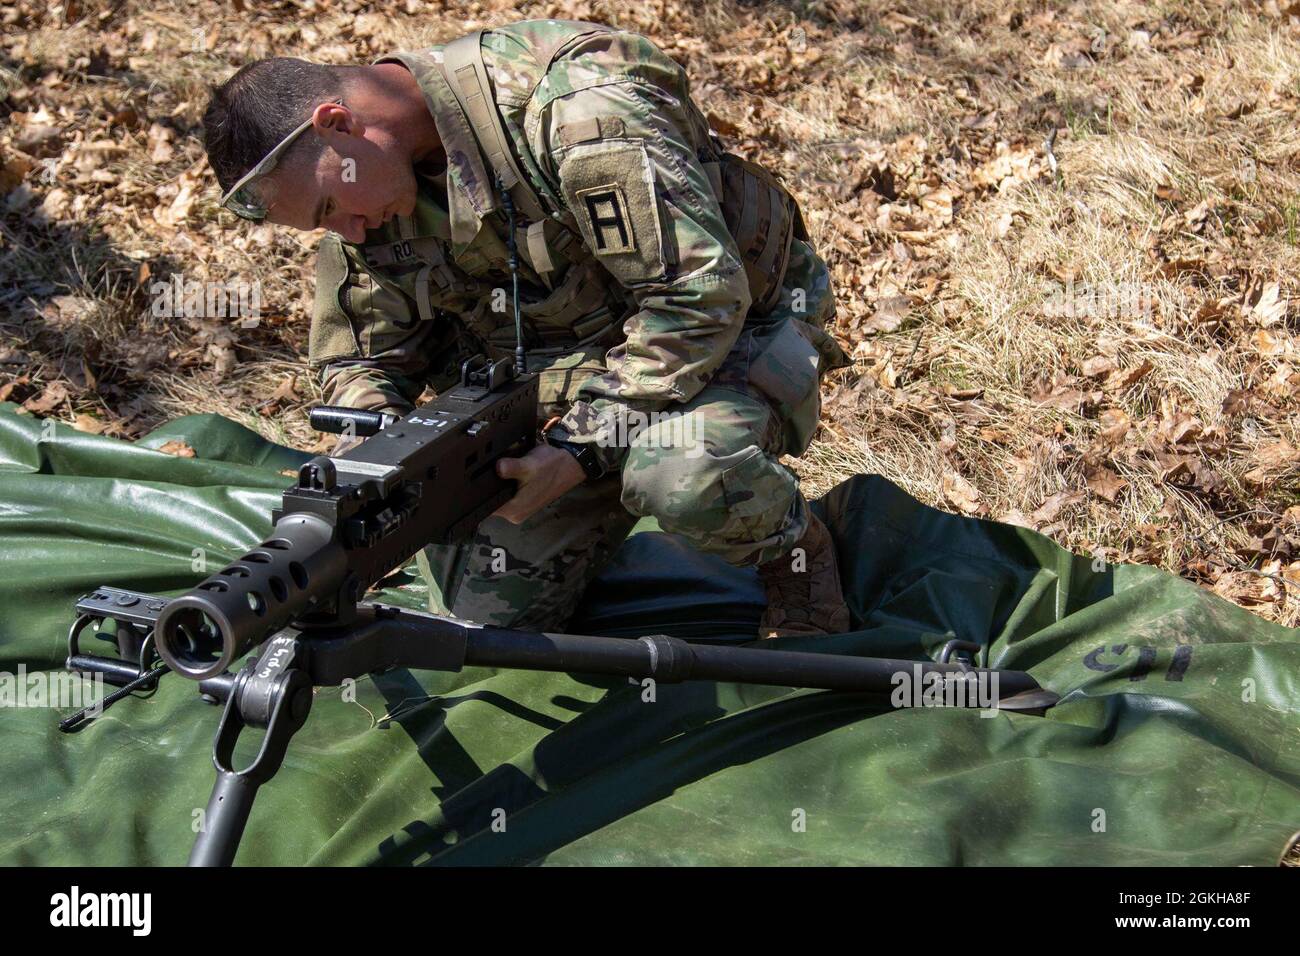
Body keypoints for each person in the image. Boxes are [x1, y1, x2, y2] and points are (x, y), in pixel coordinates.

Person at [201, 17, 851, 637]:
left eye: (330, 209)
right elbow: (360, 359)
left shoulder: (571, 109)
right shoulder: (367, 191)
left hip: (729, 340)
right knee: (486, 620)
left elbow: (698, 298)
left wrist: (578, 450)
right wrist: (376, 461)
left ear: (339, 125)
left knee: (681, 475)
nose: (346, 233)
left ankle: (796, 554)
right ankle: (604, 493)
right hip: (557, 389)